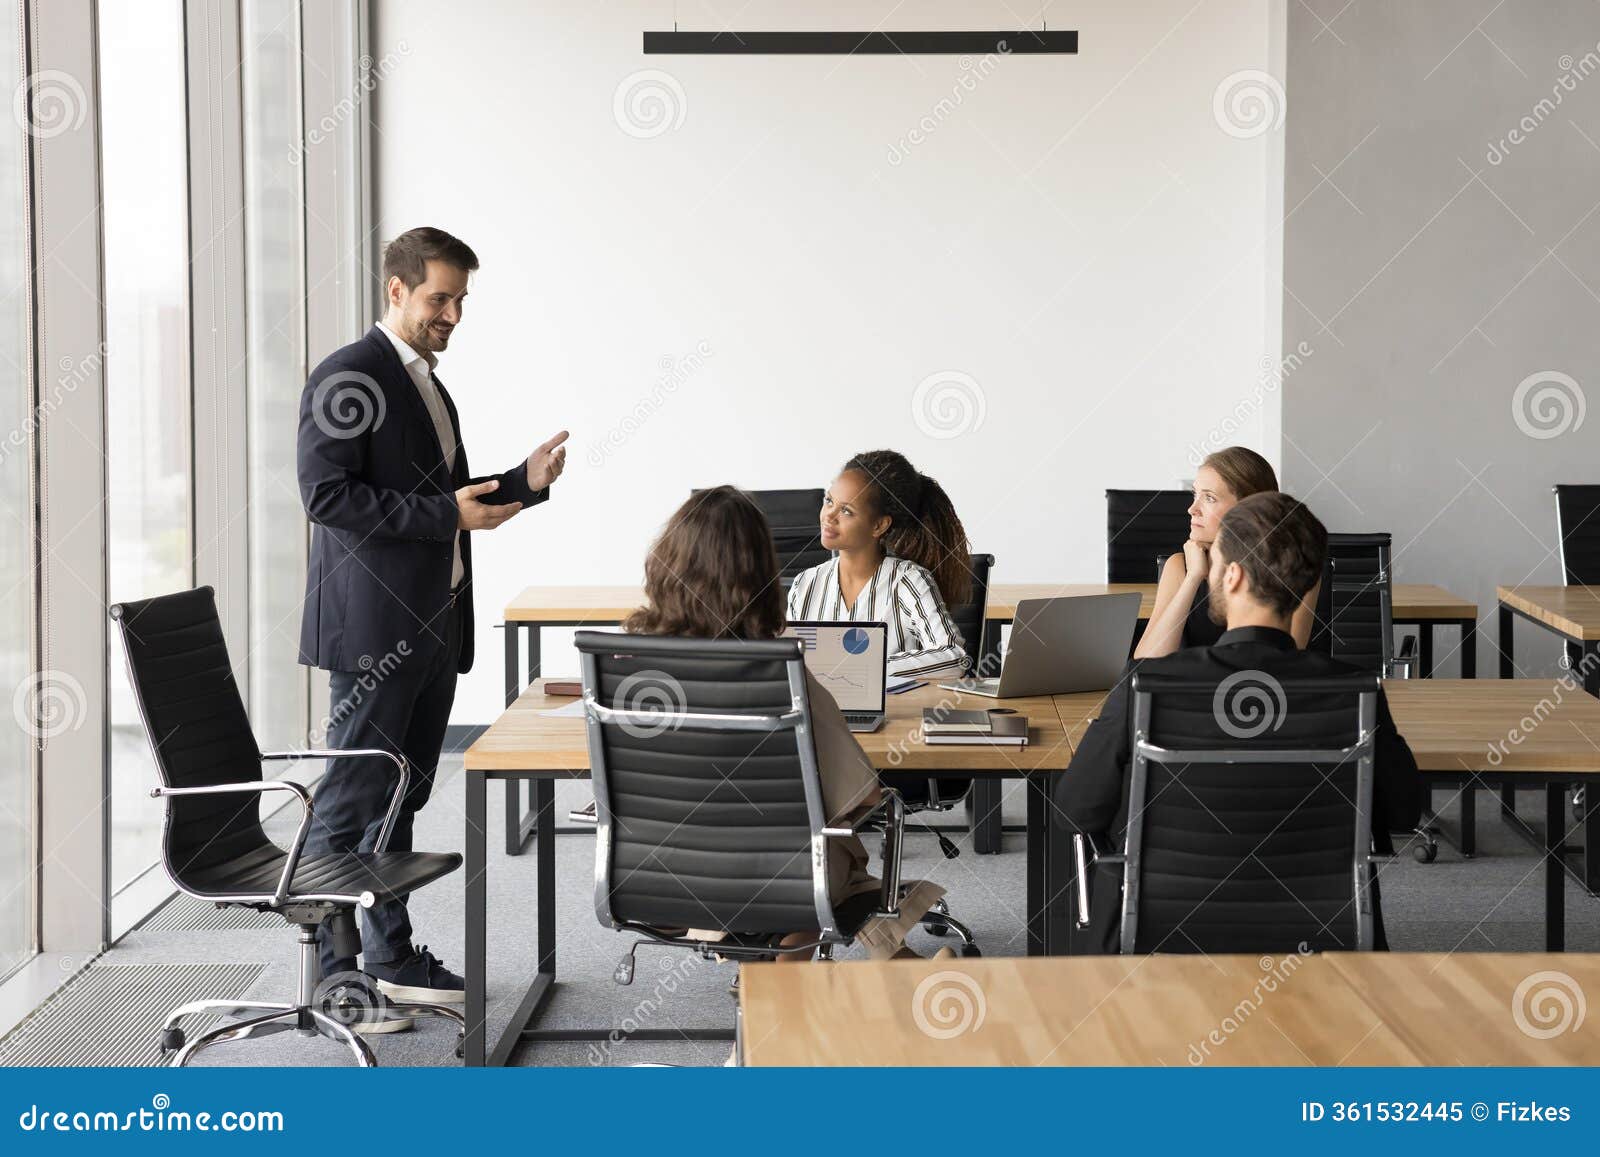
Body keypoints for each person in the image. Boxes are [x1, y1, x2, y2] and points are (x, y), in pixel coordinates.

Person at [297, 226, 569, 1028]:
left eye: (459, 301)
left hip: (430, 627)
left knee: (402, 797)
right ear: (395, 289)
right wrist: (445, 510)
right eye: (437, 297)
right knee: (352, 802)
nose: (451, 314)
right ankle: (334, 978)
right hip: (375, 633)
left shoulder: (425, 383)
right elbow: (325, 495)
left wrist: (525, 481)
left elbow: (450, 498)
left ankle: (388, 954)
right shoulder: (352, 374)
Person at [1055, 492, 1421, 953]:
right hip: (1323, 933)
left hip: (1159, 932)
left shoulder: (1148, 684)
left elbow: (1074, 808)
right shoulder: (1355, 691)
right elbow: (1405, 811)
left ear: (1232, 575)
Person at [623, 487, 946, 961]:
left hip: (657, 872)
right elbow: (863, 798)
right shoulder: (784, 674)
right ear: (762, 574)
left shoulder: (626, 666)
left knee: (801, 856)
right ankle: (790, 990)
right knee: (824, 851)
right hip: (779, 877)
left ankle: (795, 982)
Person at [786, 450, 971, 679]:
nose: (829, 516)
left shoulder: (907, 581)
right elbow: (790, 664)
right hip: (822, 712)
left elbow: (955, 657)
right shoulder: (805, 584)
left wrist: (865, 666)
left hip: (895, 713)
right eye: (829, 501)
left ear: (879, 525)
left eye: (846, 511)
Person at [1134, 446, 1318, 658]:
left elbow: (1287, 657)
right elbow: (1145, 664)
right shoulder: (1180, 566)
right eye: (1195, 495)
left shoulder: (1291, 564)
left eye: (1210, 498)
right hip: (1190, 689)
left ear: (1249, 510)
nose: (1192, 509)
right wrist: (1193, 578)